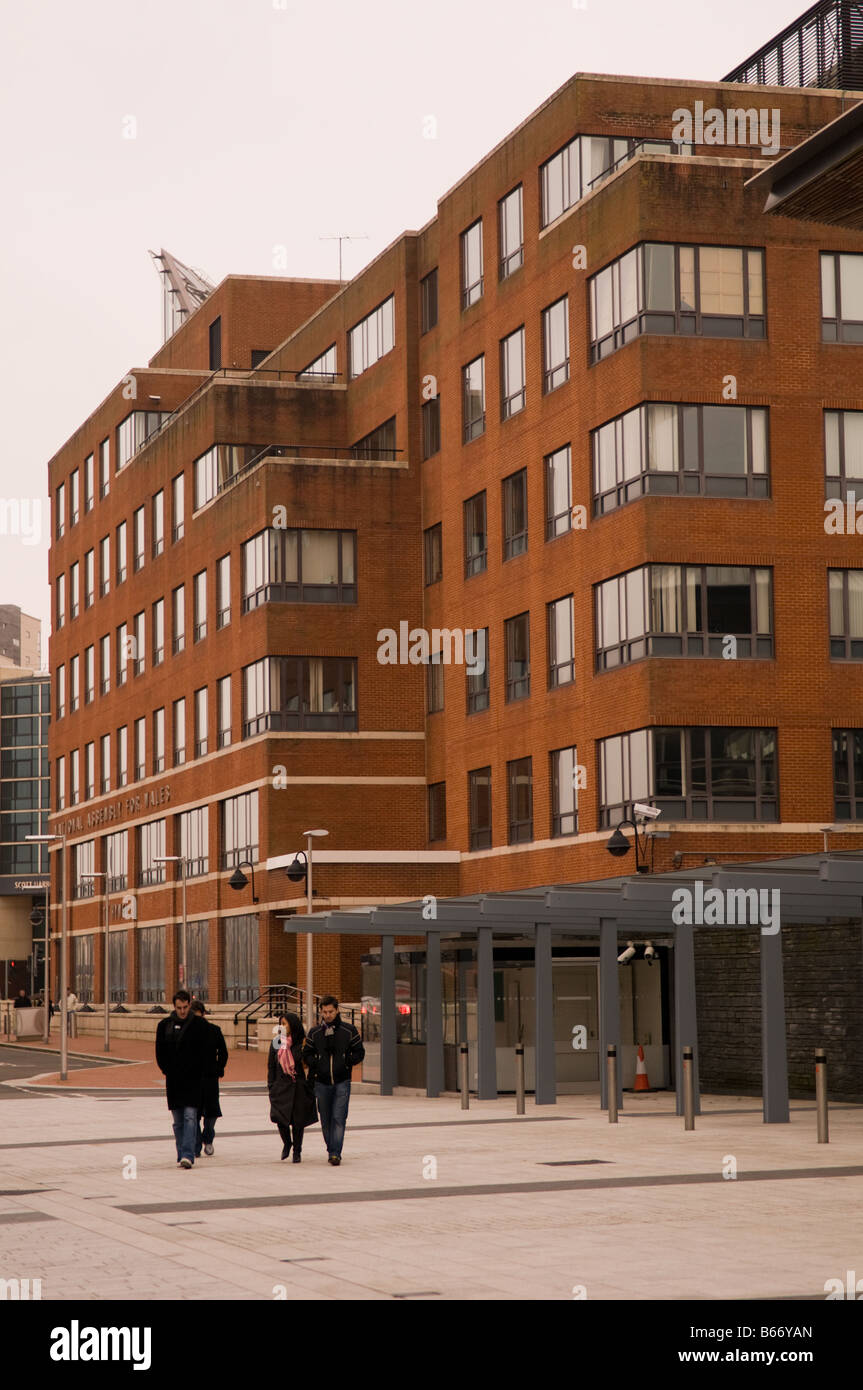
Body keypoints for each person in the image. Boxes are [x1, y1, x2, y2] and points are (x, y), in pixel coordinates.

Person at [302, 995, 364, 1166]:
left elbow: (360, 1052)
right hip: (321, 1082)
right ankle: (331, 1148)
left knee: (339, 1117)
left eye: (331, 1011)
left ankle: (335, 1153)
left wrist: (347, 1061)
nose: (327, 1015)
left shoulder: (348, 1030)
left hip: (342, 1080)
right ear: (321, 1012)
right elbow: (306, 1053)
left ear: (337, 1011)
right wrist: (316, 1063)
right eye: (324, 1012)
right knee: (326, 1118)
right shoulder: (315, 1033)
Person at [154, 989, 209, 1169]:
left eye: (185, 1007)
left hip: (193, 1079)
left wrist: (200, 1071)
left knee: (191, 1117)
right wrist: (166, 1069)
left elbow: (205, 1051)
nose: (183, 1011)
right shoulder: (165, 1025)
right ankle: (181, 1152)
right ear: (174, 1007)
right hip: (174, 1080)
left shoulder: (199, 1025)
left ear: (189, 1006)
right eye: (179, 1008)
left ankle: (187, 1154)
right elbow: (159, 1051)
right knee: (178, 1120)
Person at [268, 1012, 316, 1163]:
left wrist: (309, 1084)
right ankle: (287, 1143)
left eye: (285, 1024)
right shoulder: (277, 1042)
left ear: (293, 1025)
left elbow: (311, 1064)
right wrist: (271, 1086)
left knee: (298, 1122)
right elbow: (271, 1066)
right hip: (280, 1086)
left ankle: (297, 1151)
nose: (282, 1026)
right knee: (279, 1118)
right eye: (280, 1023)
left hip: (298, 1086)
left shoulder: (302, 1042)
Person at [190, 1000, 228, 1158]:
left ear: (203, 1014)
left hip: (210, 1078)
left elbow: (223, 1052)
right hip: (193, 1078)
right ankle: (197, 1144)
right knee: (194, 1113)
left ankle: (208, 1137)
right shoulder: (187, 1033)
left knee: (211, 1112)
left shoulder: (214, 1030)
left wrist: (218, 1069)